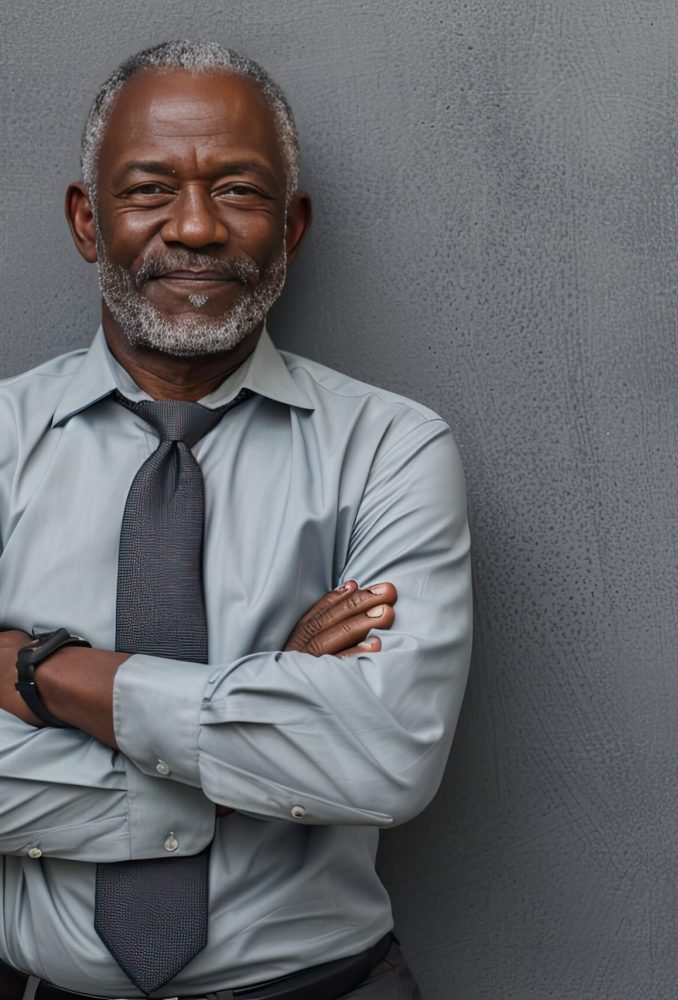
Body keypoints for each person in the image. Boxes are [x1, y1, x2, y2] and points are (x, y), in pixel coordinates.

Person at [0, 40, 472, 1000]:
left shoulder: (394, 449)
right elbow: (327, 753)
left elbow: (384, 760)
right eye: (148, 190)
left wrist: (39, 672)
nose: (198, 227)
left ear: (292, 227)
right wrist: (270, 704)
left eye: (241, 192)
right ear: (87, 221)